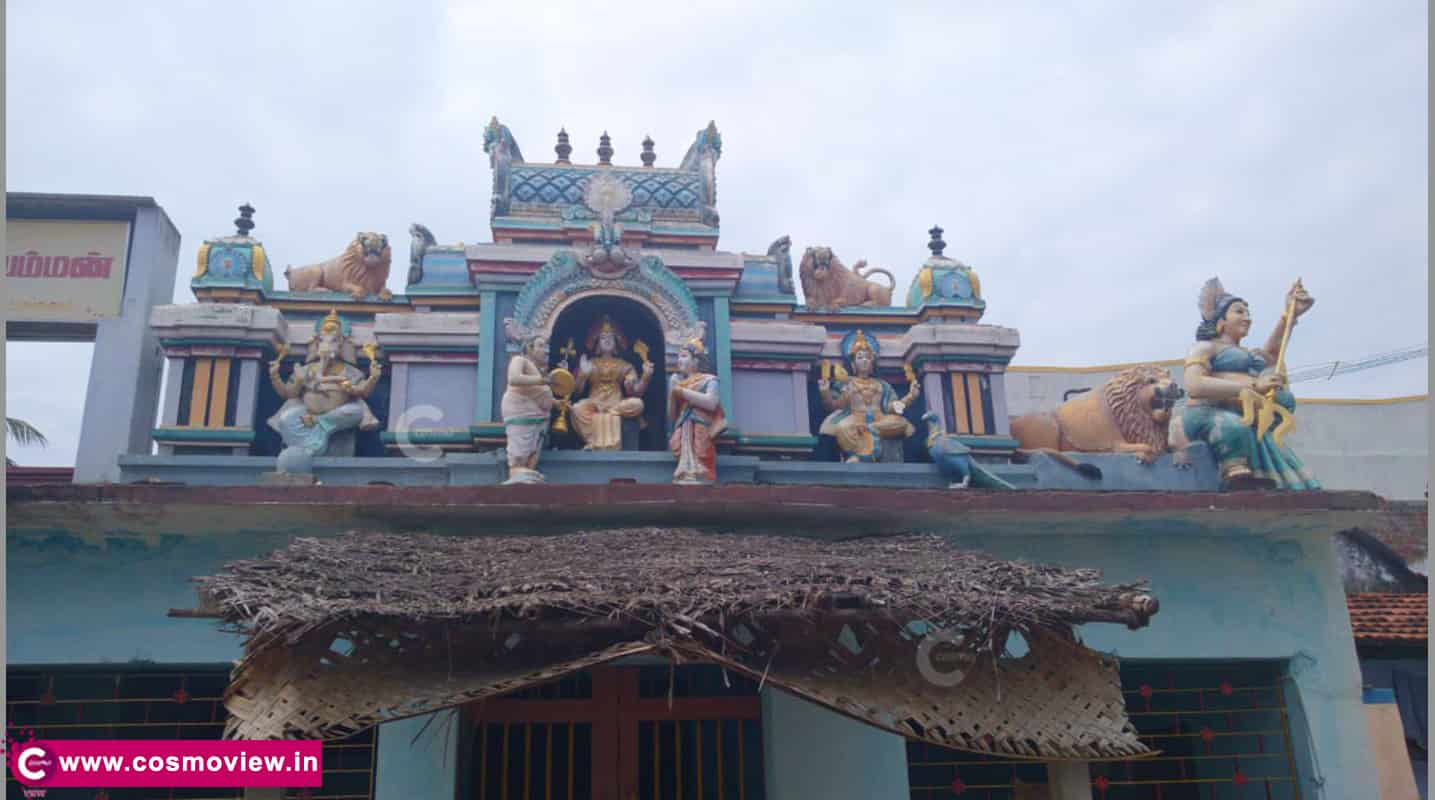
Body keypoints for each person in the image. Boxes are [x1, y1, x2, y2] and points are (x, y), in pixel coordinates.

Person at [1182, 277, 1320, 490]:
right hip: (1207, 413)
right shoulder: (1204, 348)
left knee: (1258, 431)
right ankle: (1235, 472)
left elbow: (1273, 352)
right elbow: (1194, 385)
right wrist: (1253, 387)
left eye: (1248, 313)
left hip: (1251, 417)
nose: (1247, 318)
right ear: (1220, 320)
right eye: (1239, 311)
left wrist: (1289, 315)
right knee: (1235, 426)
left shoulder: (1249, 354)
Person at [818, 330, 917, 463]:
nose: (864, 360)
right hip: (854, 418)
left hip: (879, 420)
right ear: (853, 363)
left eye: (868, 357)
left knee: (901, 422)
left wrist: (910, 396)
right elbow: (833, 406)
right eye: (860, 357)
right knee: (842, 427)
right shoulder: (846, 382)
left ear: (872, 363)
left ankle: (871, 432)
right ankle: (857, 456)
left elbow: (893, 408)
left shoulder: (883, 385)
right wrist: (825, 392)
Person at [570, 316, 653, 450]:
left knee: (637, 404)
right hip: (594, 403)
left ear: (616, 341)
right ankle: (593, 441)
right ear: (597, 342)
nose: (607, 340)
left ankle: (609, 414)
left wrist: (645, 377)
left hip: (617, 404)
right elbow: (577, 391)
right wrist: (583, 375)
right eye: (603, 337)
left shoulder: (625, 365)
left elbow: (636, 392)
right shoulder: (590, 363)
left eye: (611, 337)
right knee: (576, 409)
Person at [668, 338, 726, 484]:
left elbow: (711, 403)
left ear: (696, 360)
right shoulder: (680, 383)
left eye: (684, 356)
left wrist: (682, 392)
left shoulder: (709, 380)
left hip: (701, 426)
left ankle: (701, 475)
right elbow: (672, 416)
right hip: (684, 426)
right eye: (678, 357)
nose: (679, 361)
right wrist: (672, 392)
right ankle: (685, 472)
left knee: (702, 451)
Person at [501, 333, 557, 484]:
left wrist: (557, 403)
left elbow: (537, 393)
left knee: (534, 447)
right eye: (540, 346)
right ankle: (516, 469)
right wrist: (541, 380)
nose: (545, 350)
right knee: (520, 449)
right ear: (529, 348)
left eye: (546, 347)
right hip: (520, 408)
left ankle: (528, 470)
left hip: (538, 415)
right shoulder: (520, 360)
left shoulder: (538, 370)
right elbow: (513, 378)